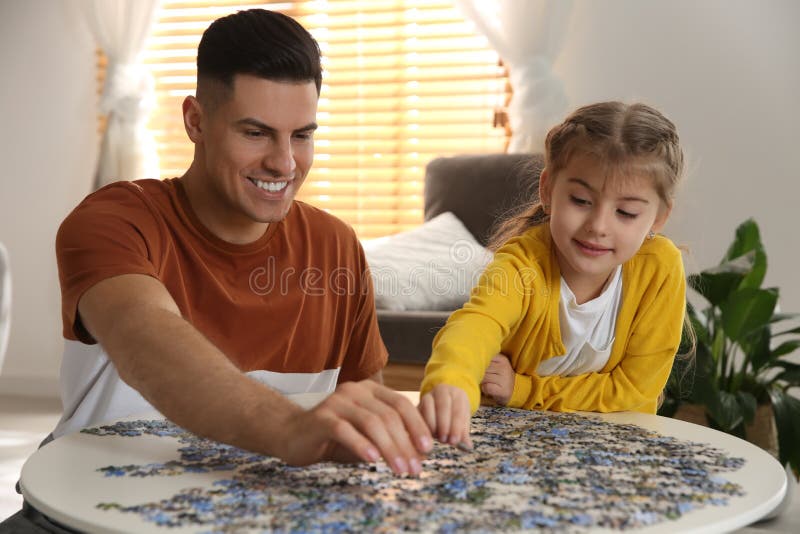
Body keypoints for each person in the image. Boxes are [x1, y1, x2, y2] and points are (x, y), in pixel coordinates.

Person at [49, 9, 431, 473]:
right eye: (256, 133)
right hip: (85, 506)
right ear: (195, 122)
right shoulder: (111, 221)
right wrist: (291, 430)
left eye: (302, 135)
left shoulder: (336, 246)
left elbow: (362, 414)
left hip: (269, 508)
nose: (285, 164)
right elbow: (144, 335)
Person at [418, 102, 688, 448]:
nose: (598, 227)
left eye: (626, 212)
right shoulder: (521, 263)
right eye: (580, 200)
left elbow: (635, 392)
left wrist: (523, 389)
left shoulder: (660, 269)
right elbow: (475, 326)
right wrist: (450, 380)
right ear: (548, 191)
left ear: (659, 217)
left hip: (616, 453)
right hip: (510, 449)